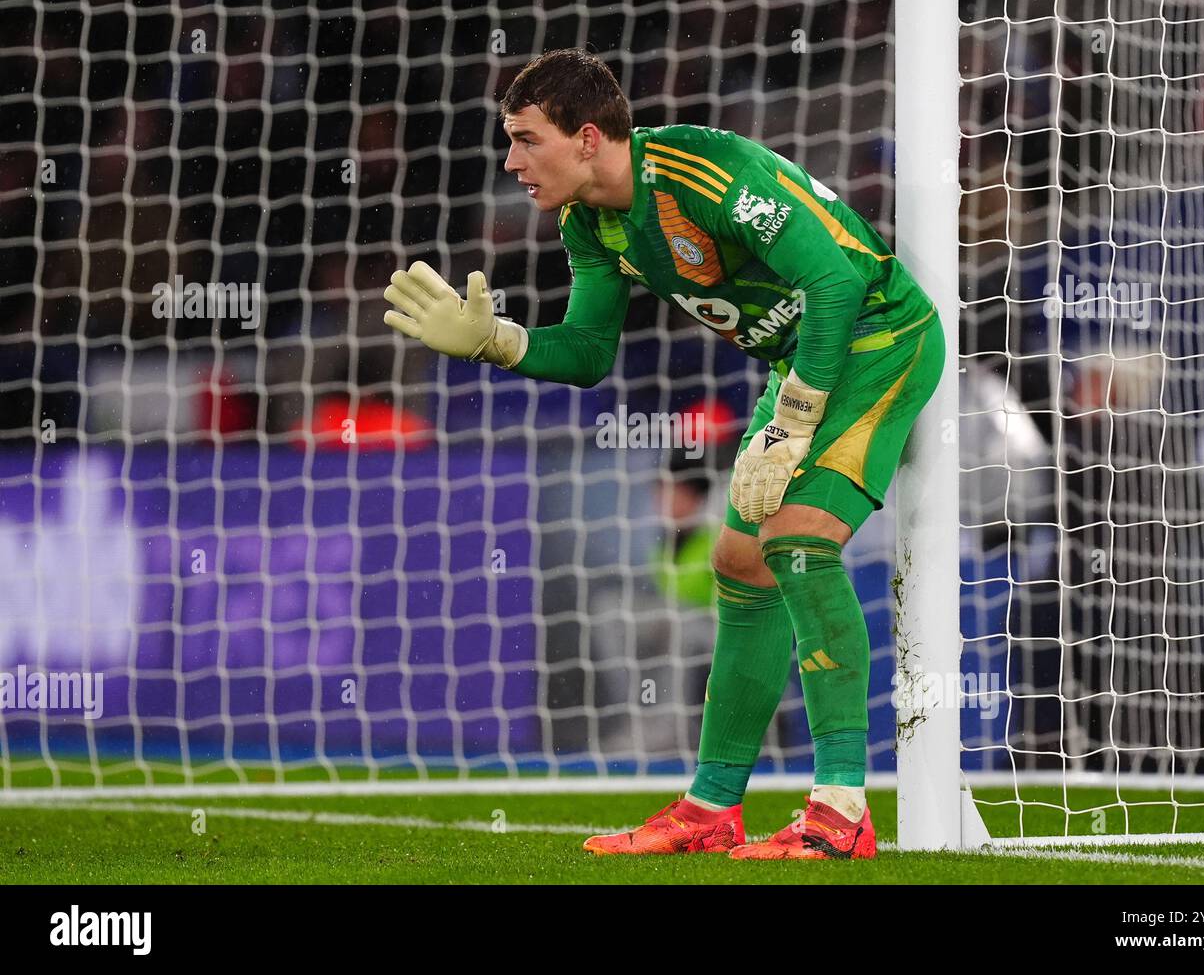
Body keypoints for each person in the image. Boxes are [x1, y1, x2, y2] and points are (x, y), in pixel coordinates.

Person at [382, 49, 944, 860]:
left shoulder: (708, 172)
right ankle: (712, 808)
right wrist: (496, 342)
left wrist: (792, 418)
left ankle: (842, 815)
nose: (511, 161)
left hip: (879, 340)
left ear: (584, 138)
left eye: (524, 139)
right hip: (807, 364)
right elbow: (585, 351)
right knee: (739, 563)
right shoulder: (592, 223)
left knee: (796, 544)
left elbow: (834, 285)